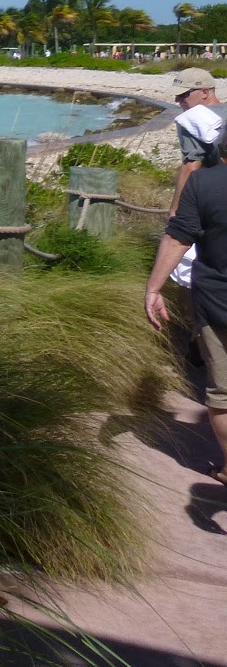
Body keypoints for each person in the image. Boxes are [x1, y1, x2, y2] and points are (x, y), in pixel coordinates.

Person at [147, 131, 227, 484]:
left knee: (223, 392)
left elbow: (179, 236)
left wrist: (154, 287)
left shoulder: (203, 183)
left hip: (217, 301)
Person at [168, 67, 225, 217]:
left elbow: (191, 167)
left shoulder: (193, 118)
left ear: (205, 92)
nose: (177, 100)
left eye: (183, 94)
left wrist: (175, 211)